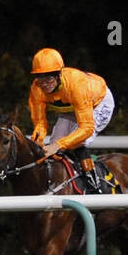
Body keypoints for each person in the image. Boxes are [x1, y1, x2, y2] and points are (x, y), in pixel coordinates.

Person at [27, 47, 115, 194]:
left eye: (48, 78)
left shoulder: (76, 85)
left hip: (98, 103)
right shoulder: (36, 89)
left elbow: (87, 128)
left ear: (58, 75)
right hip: (73, 108)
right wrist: (39, 139)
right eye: (40, 77)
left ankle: (93, 183)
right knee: (54, 149)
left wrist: (59, 144)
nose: (44, 83)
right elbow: (40, 124)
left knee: (75, 143)